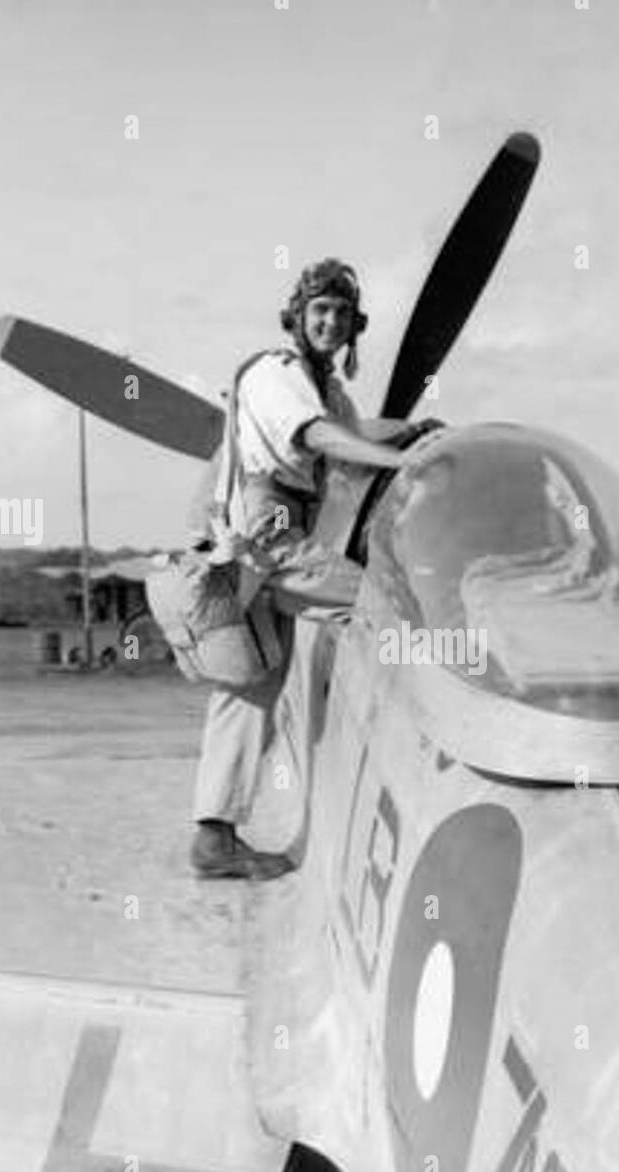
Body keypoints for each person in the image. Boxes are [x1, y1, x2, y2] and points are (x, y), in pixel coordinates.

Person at [189, 258, 431, 879]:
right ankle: (428, 761)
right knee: (386, 604)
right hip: (267, 542)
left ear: (354, 326)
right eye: (320, 310)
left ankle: (213, 839)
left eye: (342, 313)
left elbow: (349, 430)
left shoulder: (327, 389)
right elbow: (323, 439)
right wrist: (398, 463)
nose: (330, 321)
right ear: (297, 316)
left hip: (266, 545)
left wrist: (410, 434)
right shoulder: (276, 373)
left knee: (250, 685)